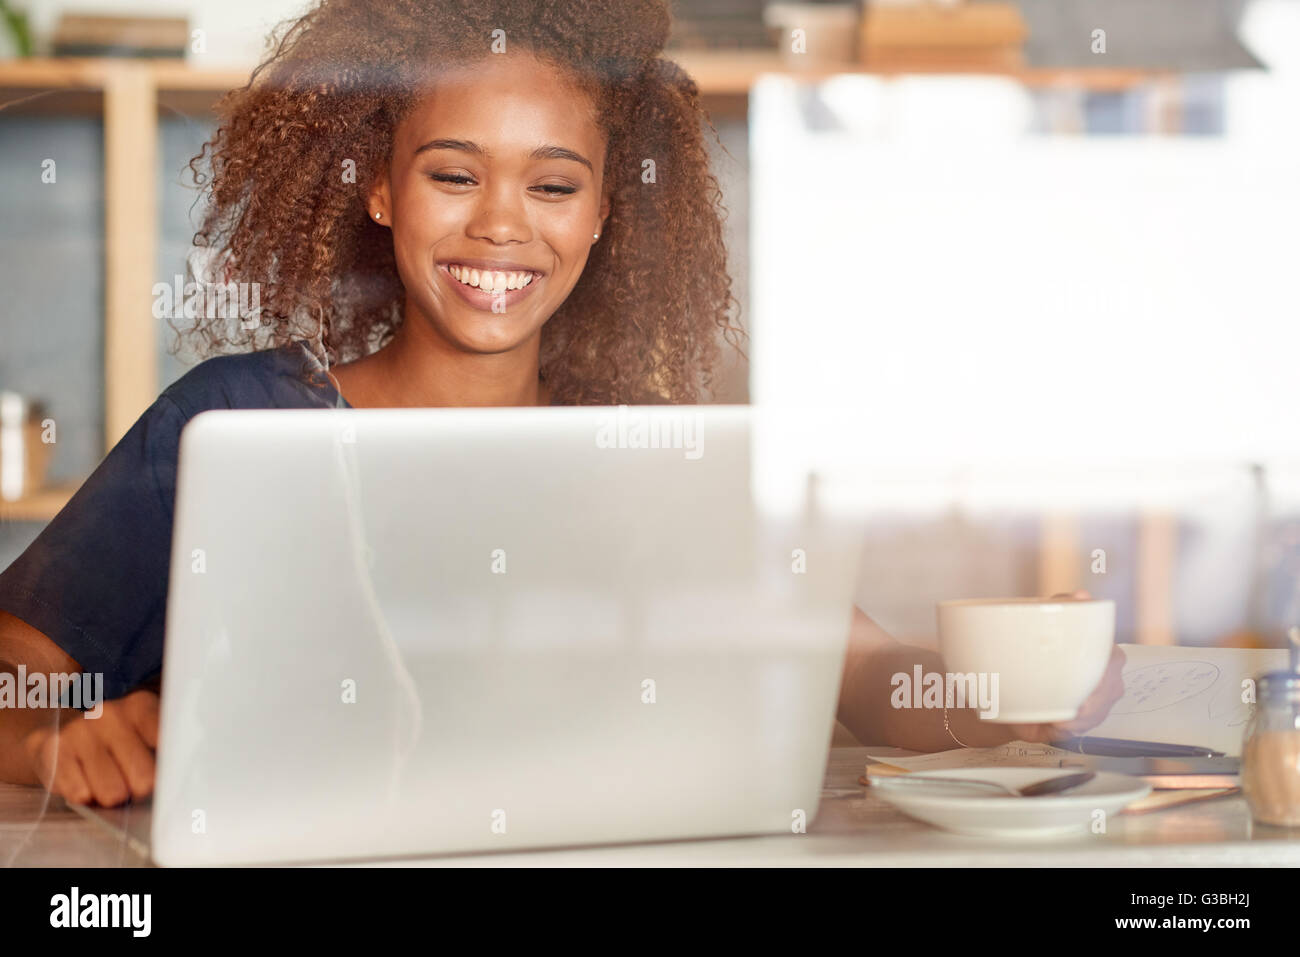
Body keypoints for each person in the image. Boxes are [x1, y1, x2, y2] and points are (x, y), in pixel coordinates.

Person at [0, 0, 1124, 808]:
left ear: (601, 216)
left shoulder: (648, 459)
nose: (502, 225)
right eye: (452, 175)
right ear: (380, 189)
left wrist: (1010, 687)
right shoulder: (232, 427)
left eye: (551, 185)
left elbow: (866, 677)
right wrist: (55, 737)